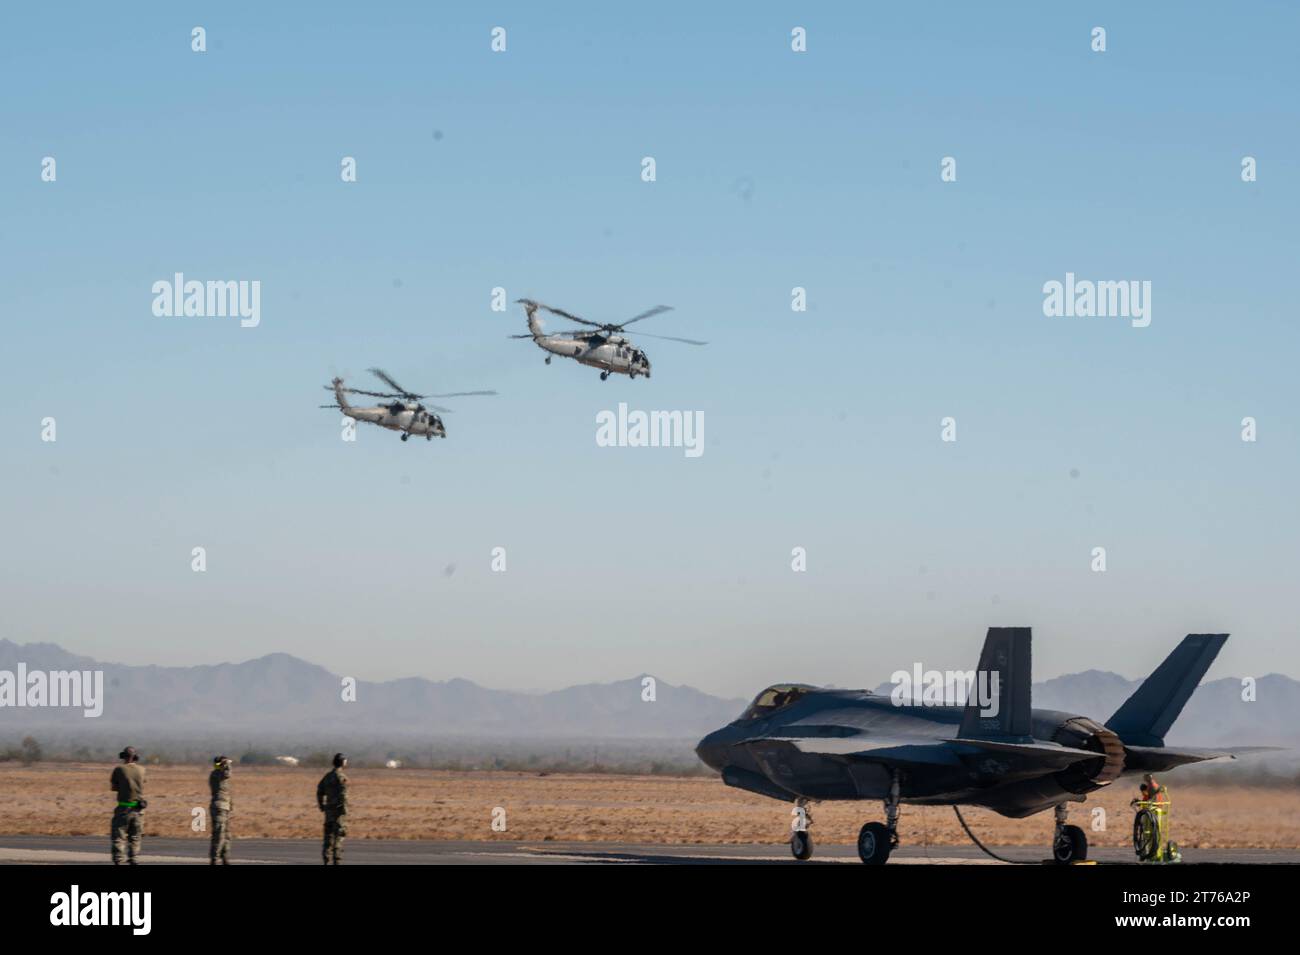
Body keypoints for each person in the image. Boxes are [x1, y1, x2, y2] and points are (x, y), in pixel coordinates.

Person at [110, 746, 146, 865]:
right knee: (135, 837)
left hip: (124, 808)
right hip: (138, 809)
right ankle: (134, 859)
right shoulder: (142, 770)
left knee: (119, 837)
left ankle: (119, 860)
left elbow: (114, 787)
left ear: (123, 756)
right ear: (135, 757)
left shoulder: (119, 769)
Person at [316, 753, 349, 865]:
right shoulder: (341, 777)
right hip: (338, 812)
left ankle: (326, 859)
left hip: (329, 811)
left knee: (328, 836)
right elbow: (343, 795)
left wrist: (322, 805)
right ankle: (336, 860)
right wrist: (344, 810)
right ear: (342, 762)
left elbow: (319, 791)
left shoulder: (327, 776)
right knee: (339, 836)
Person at [209, 755, 233, 865]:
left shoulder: (220, 775)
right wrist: (226, 764)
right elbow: (227, 774)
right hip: (219, 807)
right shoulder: (216, 774)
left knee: (226, 835)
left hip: (225, 807)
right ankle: (215, 858)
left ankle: (224, 856)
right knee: (219, 834)